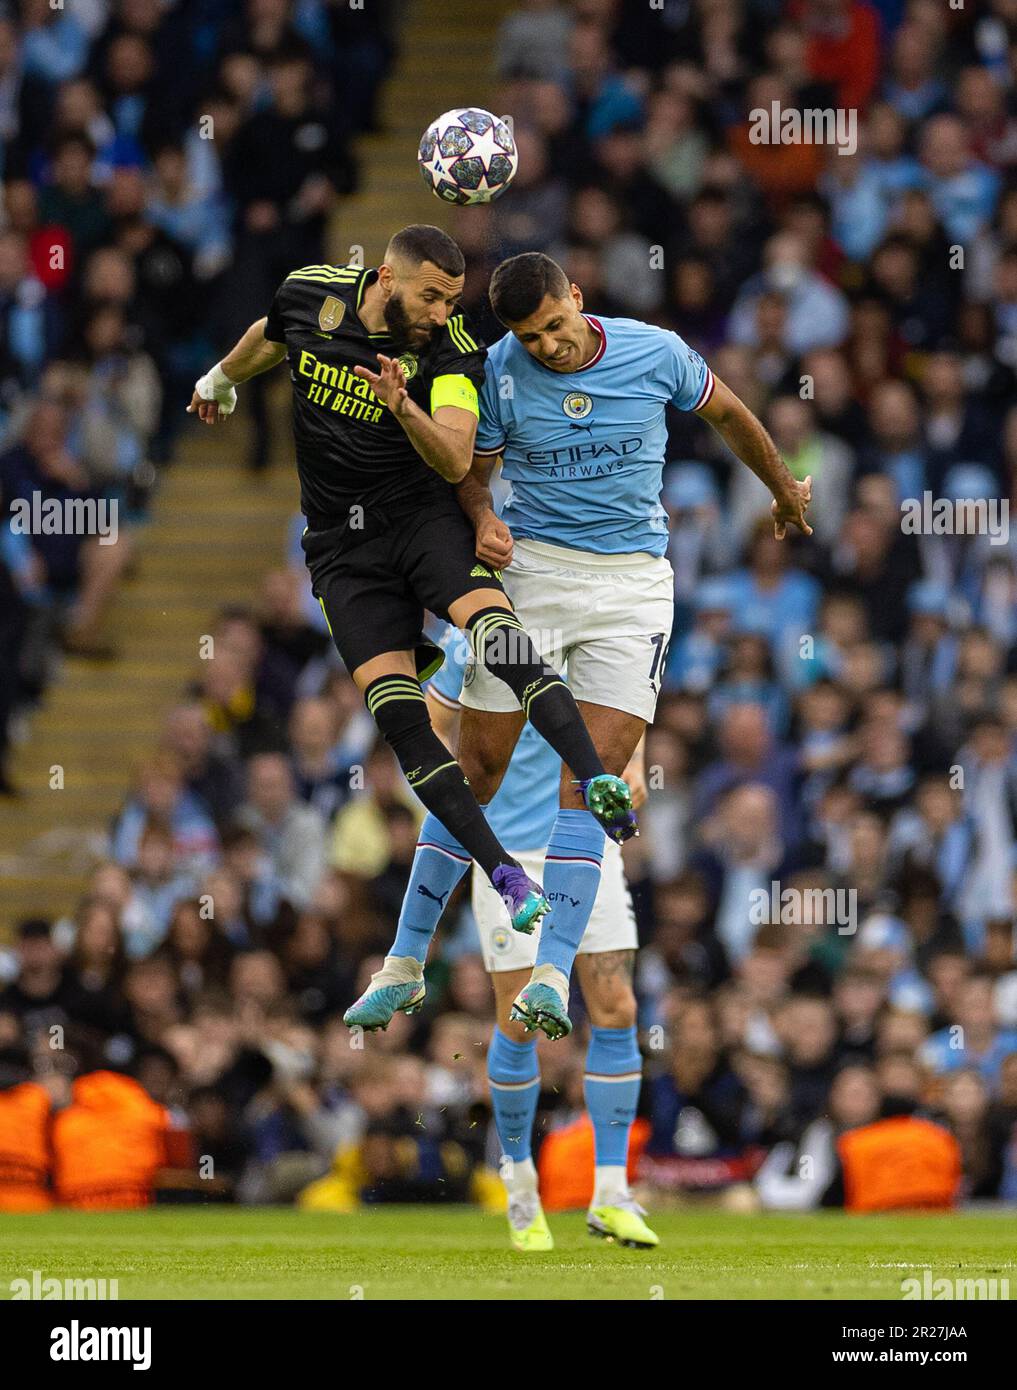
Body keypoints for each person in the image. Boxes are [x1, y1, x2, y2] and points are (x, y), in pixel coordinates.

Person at [366, 250, 812, 1045]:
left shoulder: (656, 350)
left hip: (630, 587)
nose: (548, 348)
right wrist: (481, 516)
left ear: (577, 297)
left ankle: (549, 974)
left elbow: (732, 416)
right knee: (477, 770)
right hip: (533, 574)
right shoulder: (498, 368)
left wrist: (782, 488)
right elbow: (473, 469)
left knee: (591, 782)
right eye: (531, 339)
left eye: (554, 327)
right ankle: (402, 959)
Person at [188, 224, 634, 950]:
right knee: (400, 720)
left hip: (419, 520)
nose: (441, 311)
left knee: (500, 639)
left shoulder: (448, 349)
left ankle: (594, 778)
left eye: (450, 299)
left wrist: (402, 404)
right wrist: (219, 381)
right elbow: (273, 333)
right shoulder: (313, 293)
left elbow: (458, 457)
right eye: (430, 296)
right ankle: (505, 876)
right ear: (387, 281)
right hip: (339, 550)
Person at [423, 622, 656, 1251]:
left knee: (616, 1008)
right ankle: (521, 1181)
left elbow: (619, 715)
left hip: (587, 849)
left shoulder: (596, 617)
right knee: (520, 1021)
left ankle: (611, 1194)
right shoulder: (471, 636)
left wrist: (632, 765)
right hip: (511, 855)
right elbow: (432, 726)